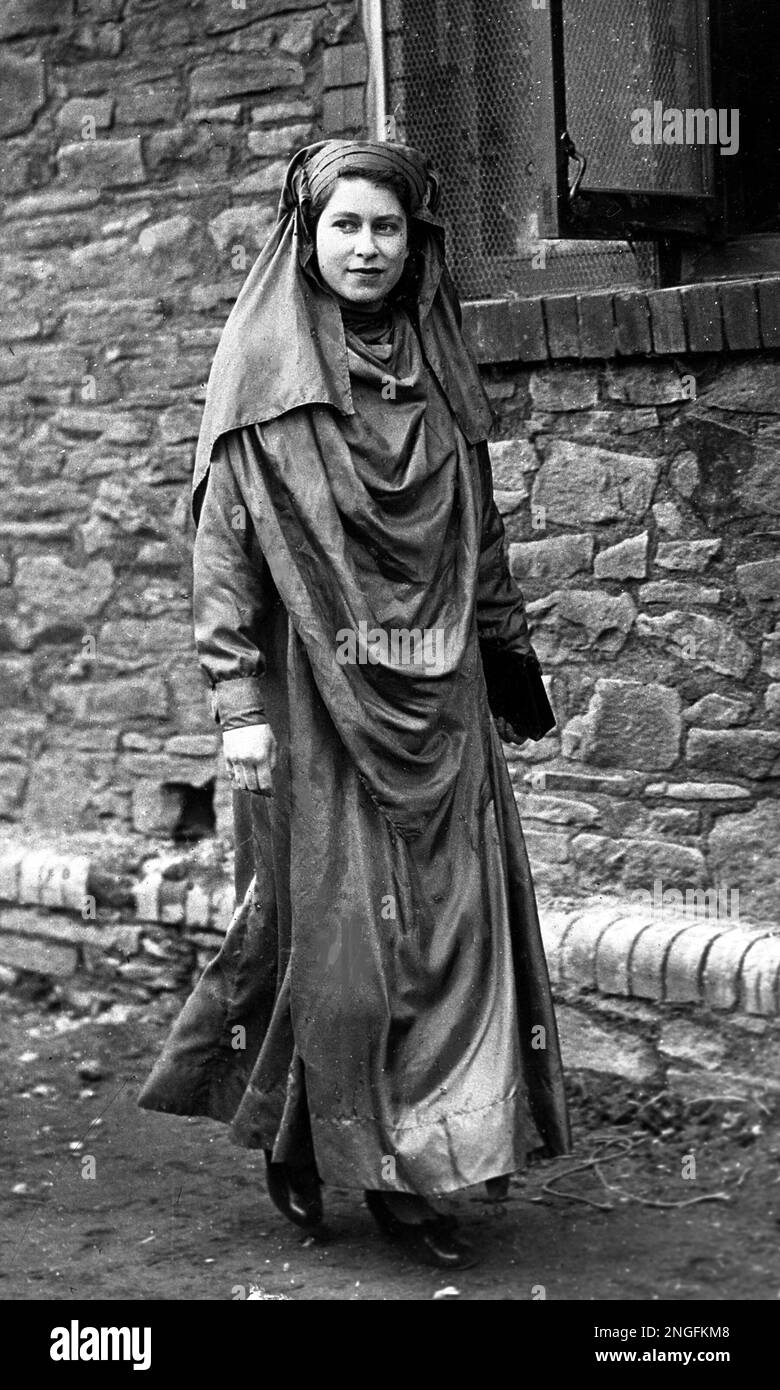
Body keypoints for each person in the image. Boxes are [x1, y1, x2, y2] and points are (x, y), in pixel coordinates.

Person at [138, 139, 571, 1270]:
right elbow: (223, 553)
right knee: (335, 954)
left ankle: (415, 1172)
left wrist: (509, 656)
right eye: (347, 227)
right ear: (308, 237)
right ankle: (304, 1134)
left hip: (443, 706)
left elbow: (481, 536)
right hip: (318, 710)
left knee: (453, 940)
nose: (367, 248)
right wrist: (236, 701)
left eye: (387, 228)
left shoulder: (437, 368)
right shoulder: (260, 379)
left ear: (412, 243)